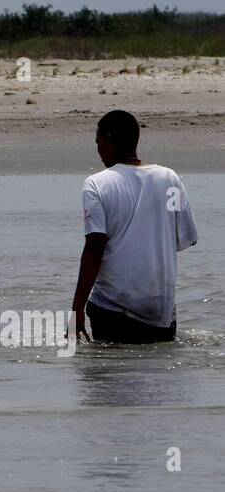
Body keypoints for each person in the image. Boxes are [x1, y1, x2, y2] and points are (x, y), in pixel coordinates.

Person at [71, 110, 198, 343]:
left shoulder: (96, 184)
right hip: (161, 313)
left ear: (108, 141)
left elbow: (94, 246)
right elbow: (181, 239)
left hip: (112, 308)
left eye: (98, 143)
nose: (98, 152)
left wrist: (77, 307)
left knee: (107, 374)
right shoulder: (169, 178)